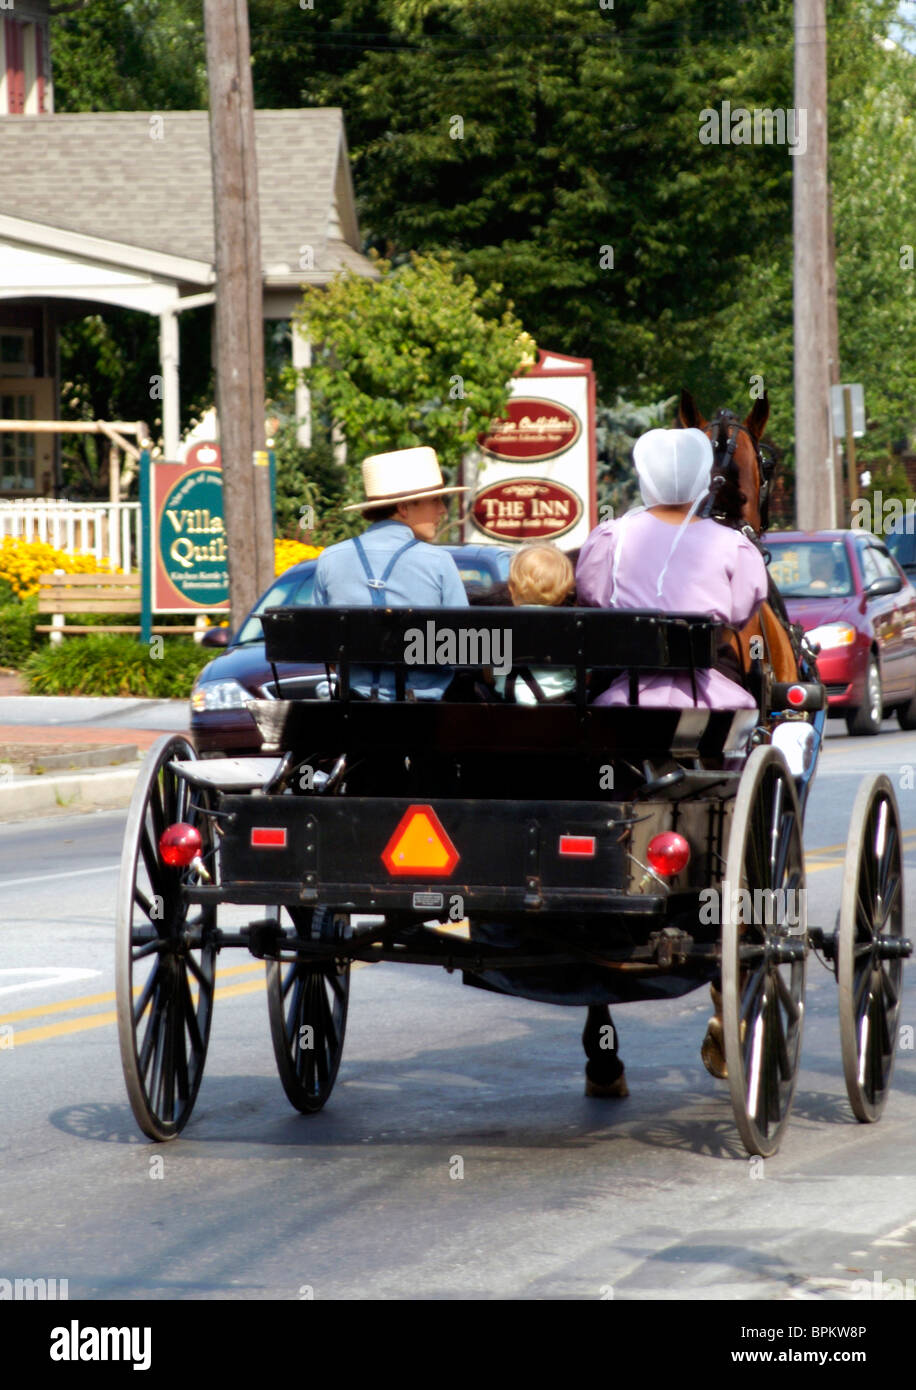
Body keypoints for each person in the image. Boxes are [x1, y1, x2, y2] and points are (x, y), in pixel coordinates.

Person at [575, 427, 768, 709]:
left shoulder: (611, 538)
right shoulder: (733, 545)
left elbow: (595, 599)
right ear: (703, 477)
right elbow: (739, 613)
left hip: (626, 688)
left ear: (646, 477)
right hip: (709, 689)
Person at [312, 445, 469, 700]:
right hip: (425, 717)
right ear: (404, 508)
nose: (442, 510)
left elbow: (323, 646)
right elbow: (464, 647)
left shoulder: (330, 559)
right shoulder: (439, 562)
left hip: (353, 711)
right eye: (435, 500)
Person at [495, 544, 577, 704]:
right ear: (565, 590)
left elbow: (489, 675)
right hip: (558, 706)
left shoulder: (500, 623)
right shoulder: (570, 626)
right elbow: (585, 675)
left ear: (511, 589)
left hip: (507, 706)